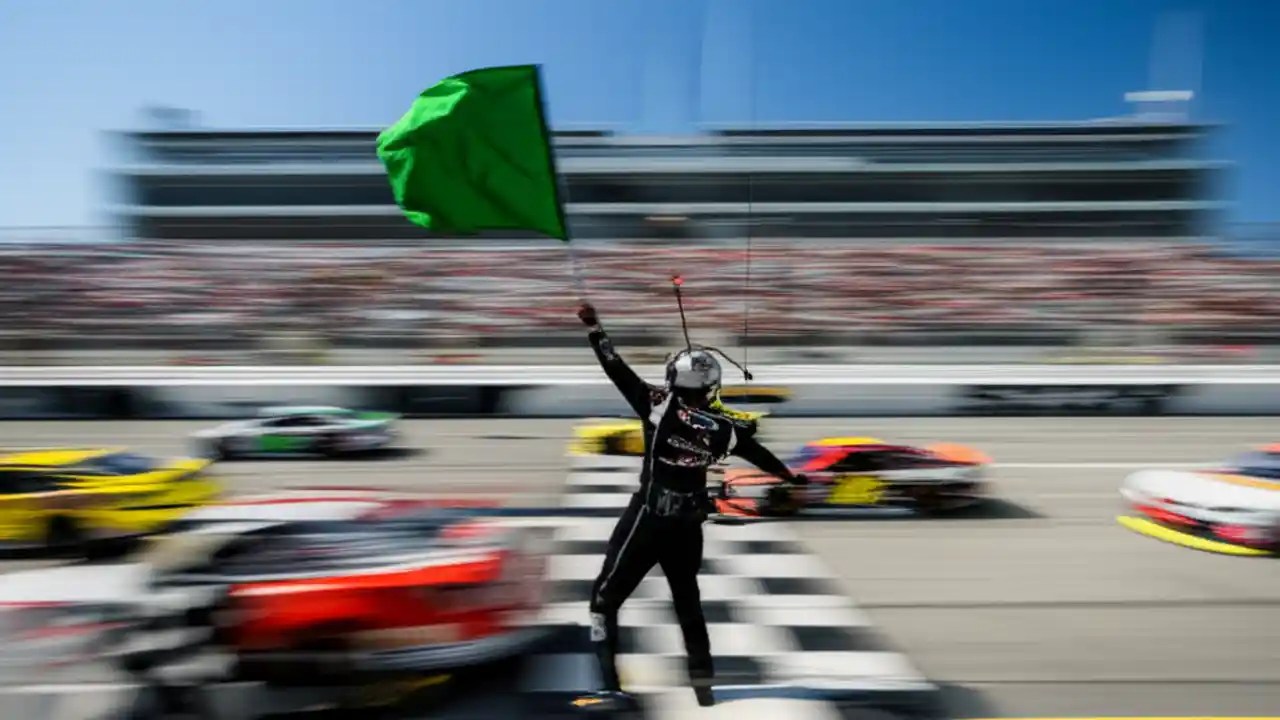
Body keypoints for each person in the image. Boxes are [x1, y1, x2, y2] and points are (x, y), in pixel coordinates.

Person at [574, 302, 808, 709]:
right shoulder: (726, 430)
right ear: (711, 387)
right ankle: (703, 683)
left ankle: (609, 687)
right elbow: (759, 454)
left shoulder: (656, 405)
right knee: (687, 600)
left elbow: (615, 368)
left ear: (672, 378)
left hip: (647, 520)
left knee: (603, 601)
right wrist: (792, 478)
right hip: (688, 526)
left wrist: (596, 329)